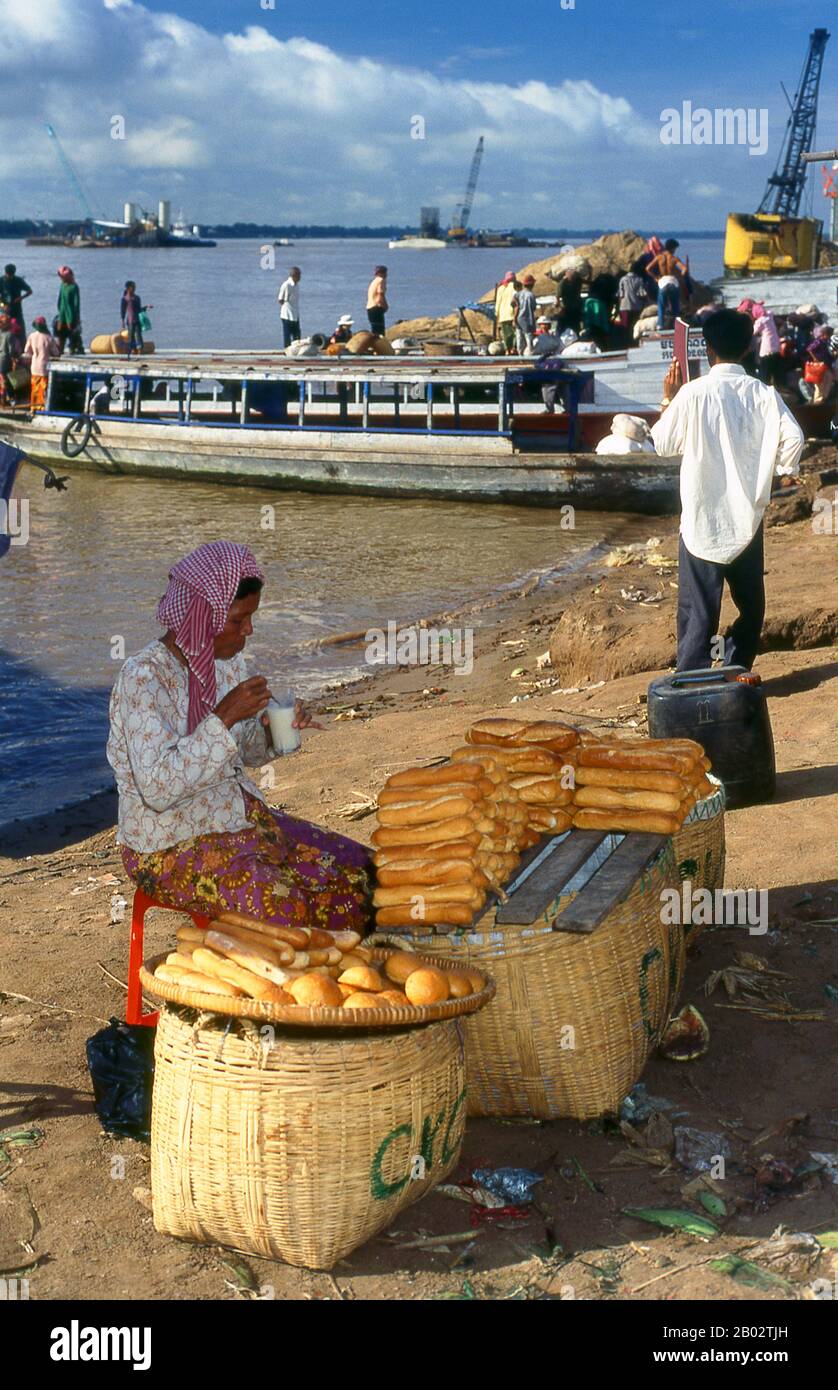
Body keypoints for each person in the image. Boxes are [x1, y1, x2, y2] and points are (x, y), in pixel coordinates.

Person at [107, 541, 372, 932]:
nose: (248, 629)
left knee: (366, 874)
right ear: (202, 618)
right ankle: (268, 982)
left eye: (251, 617)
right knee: (287, 909)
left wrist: (268, 732)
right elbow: (158, 789)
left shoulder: (225, 663)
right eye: (238, 620)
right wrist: (224, 715)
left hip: (236, 815)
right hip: (166, 842)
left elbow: (242, 753)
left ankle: (344, 969)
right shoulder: (143, 679)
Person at [651, 308, 803, 672]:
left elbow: (663, 444)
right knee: (752, 607)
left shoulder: (692, 393)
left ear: (708, 350)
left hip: (702, 519)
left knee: (698, 612)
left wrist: (668, 399)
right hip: (746, 519)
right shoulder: (764, 394)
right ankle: (735, 664)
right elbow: (794, 437)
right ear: (749, 348)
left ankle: (693, 679)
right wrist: (782, 471)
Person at [20, 316, 59, 412]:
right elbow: (56, 353)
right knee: (43, 388)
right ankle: (41, 408)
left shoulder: (32, 336)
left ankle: (33, 407)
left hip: (34, 367)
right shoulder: (48, 338)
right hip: (44, 367)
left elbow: (27, 351)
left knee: (35, 388)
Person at [646, 239, 687, 330]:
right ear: (672, 248)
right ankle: (676, 325)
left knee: (661, 306)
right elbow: (684, 269)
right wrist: (680, 277)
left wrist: (656, 277)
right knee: (675, 306)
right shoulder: (674, 259)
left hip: (663, 282)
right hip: (673, 282)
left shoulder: (659, 257)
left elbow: (648, 268)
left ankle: (660, 325)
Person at [750, 302, 783, 386]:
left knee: (765, 371)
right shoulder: (769, 316)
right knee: (776, 370)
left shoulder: (760, 321)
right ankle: (779, 385)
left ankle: (765, 384)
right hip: (776, 346)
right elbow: (769, 312)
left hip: (767, 348)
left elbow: (753, 332)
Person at [617, 259, 649, 342]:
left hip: (624, 307)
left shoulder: (623, 279)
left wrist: (618, 307)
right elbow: (642, 294)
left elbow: (621, 295)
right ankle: (634, 343)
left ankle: (625, 344)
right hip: (636, 307)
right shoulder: (639, 280)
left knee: (625, 328)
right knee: (634, 328)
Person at [120, 281, 153, 358]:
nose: (135, 288)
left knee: (138, 335)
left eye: (135, 287)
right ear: (128, 288)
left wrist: (146, 307)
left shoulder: (137, 298)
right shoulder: (125, 299)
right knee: (131, 337)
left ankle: (140, 351)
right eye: (133, 287)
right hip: (130, 321)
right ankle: (133, 350)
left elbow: (139, 309)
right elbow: (123, 310)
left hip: (137, 320)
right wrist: (122, 321)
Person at [55, 266, 83, 355]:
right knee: (60, 333)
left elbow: (76, 304)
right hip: (62, 314)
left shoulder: (74, 287)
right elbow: (60, 299)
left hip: (70, 315)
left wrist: (77, 317)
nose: (61, 279)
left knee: (72, 333)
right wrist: (59, 310)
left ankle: (76, 348)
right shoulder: (63, 285)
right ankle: (60, 351)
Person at [0, 264, 32, 334]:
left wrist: (21, 298)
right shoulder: (1, 281)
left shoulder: (18, 280)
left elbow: (29, 291)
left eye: (11, 275)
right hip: (4, 312)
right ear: (5, 273)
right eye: (8, 275)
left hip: (17, 311)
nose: (10, 277)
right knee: (4, 333)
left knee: (20, 332)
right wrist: (2, 305)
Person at [493, 271, 518, 353]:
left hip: (503, 315)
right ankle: (514, 349)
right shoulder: (515, 287)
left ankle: (508, 350)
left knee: (506, 334)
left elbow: (498, 302)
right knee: (514, 333)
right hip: (512, 313)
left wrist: (497, 313)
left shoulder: (501, 288)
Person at [512, 274, 537, 355]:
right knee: (528, 337)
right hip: (527, 318)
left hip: (518, 318)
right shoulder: (531, 295)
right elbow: (533, 307)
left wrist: (514, 318)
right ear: (531, 284)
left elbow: (513, 304)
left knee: (519, 337)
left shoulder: (518, 294)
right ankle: (530, 354)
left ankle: (520, 355)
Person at [277, 267, 301, 348]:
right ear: (294, 275)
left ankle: (296, 352)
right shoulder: (286, 285)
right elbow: (280, 299)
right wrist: (287, 305)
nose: (300, 277)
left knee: (297, 336)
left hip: (295, 314)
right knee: (287, 335)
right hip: (287, 314)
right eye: (299, 275)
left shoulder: (297, 285)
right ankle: (287, 352)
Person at [555, 268, 584, 334]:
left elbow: (587, 282)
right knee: (563, 328)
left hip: (576, 308)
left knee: (575, 327)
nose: (573, 278)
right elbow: (557, 298)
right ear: (567, 275)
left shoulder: (578, 280)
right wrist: (560, 309)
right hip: (566, 309)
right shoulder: (562, 283)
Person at [0, 313, 18, 407]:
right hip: (5, 360)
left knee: (2, 380)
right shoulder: (10, 334)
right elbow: (11, 351)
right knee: (7, 380)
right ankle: (10, 399)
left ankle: (3, 400)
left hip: (1, 359)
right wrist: (14, 361)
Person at [366, 265, 388, 336]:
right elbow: (380, 294)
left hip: (369, 308)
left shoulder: (374, 281)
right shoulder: (381, 280)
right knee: (380, 332)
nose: (386, 275)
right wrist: (385, 305)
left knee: (374, 330)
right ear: (382, 273)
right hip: (376, 308)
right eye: (385, 273)